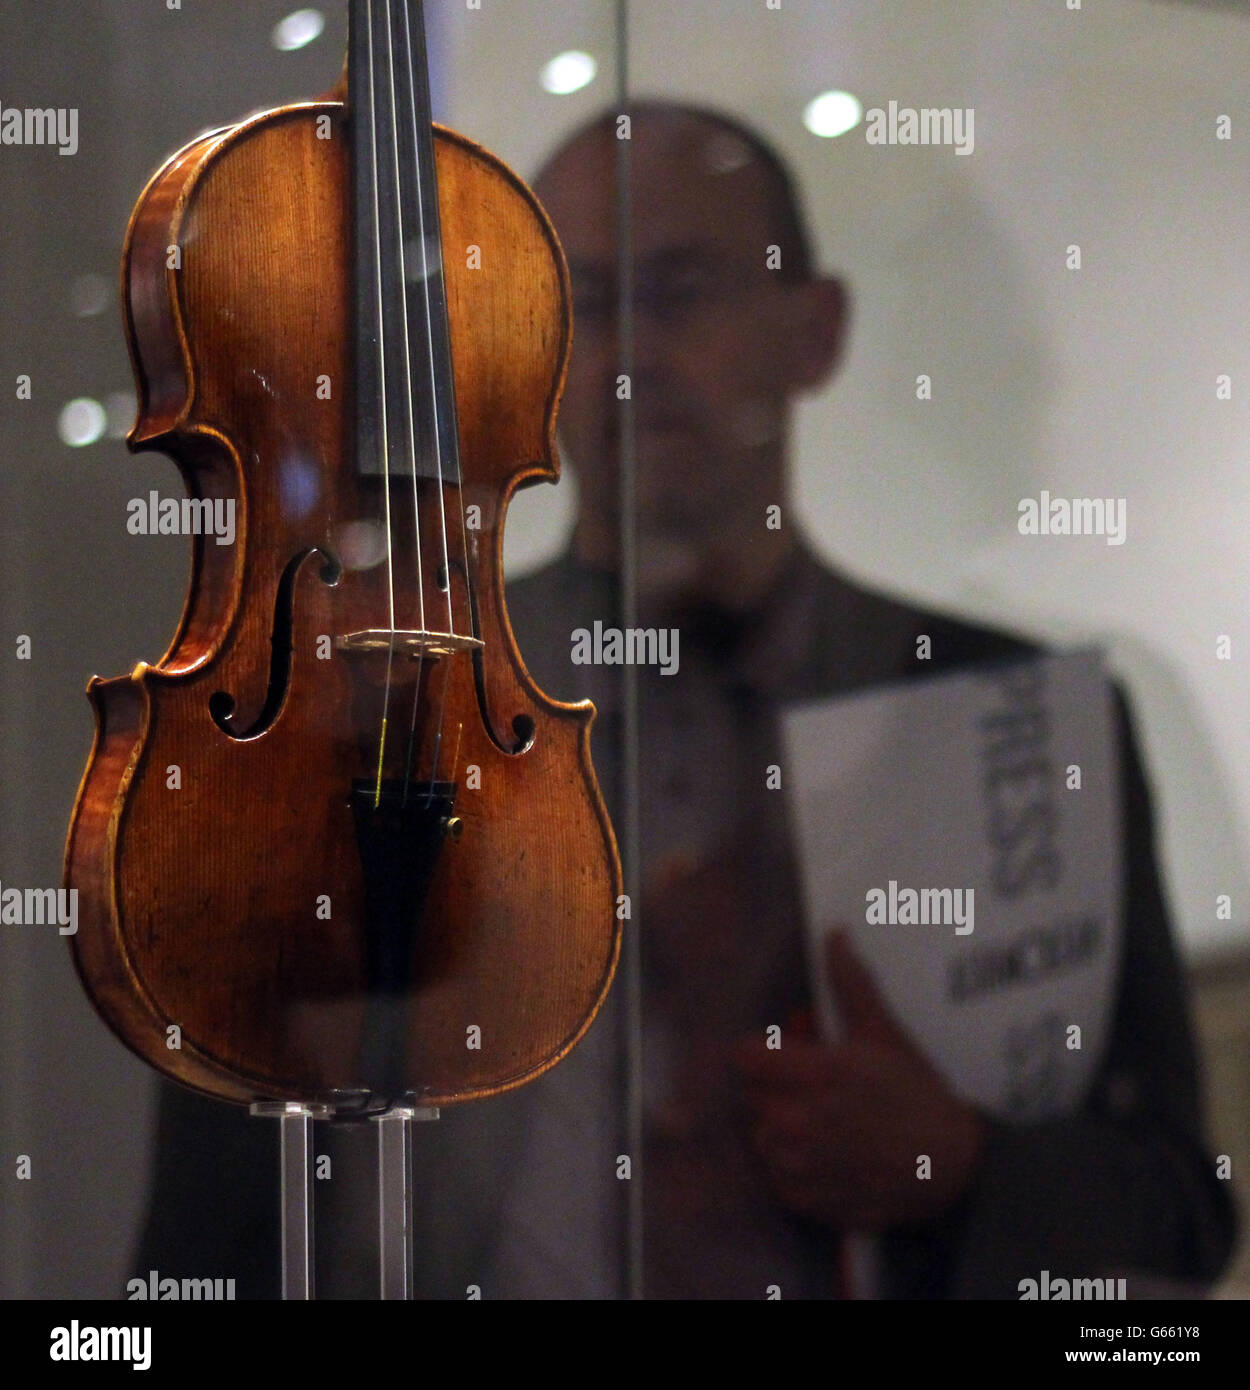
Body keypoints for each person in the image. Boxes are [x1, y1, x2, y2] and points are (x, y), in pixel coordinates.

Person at [135, 102, 1236, 1300]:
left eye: (682, 289)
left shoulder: (1008, 711)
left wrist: (952, 1158)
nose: (627, 357)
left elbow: (1175, 1216)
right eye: (584, 305)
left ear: (815, 332)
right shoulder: (365, 705)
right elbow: (216, 1228)